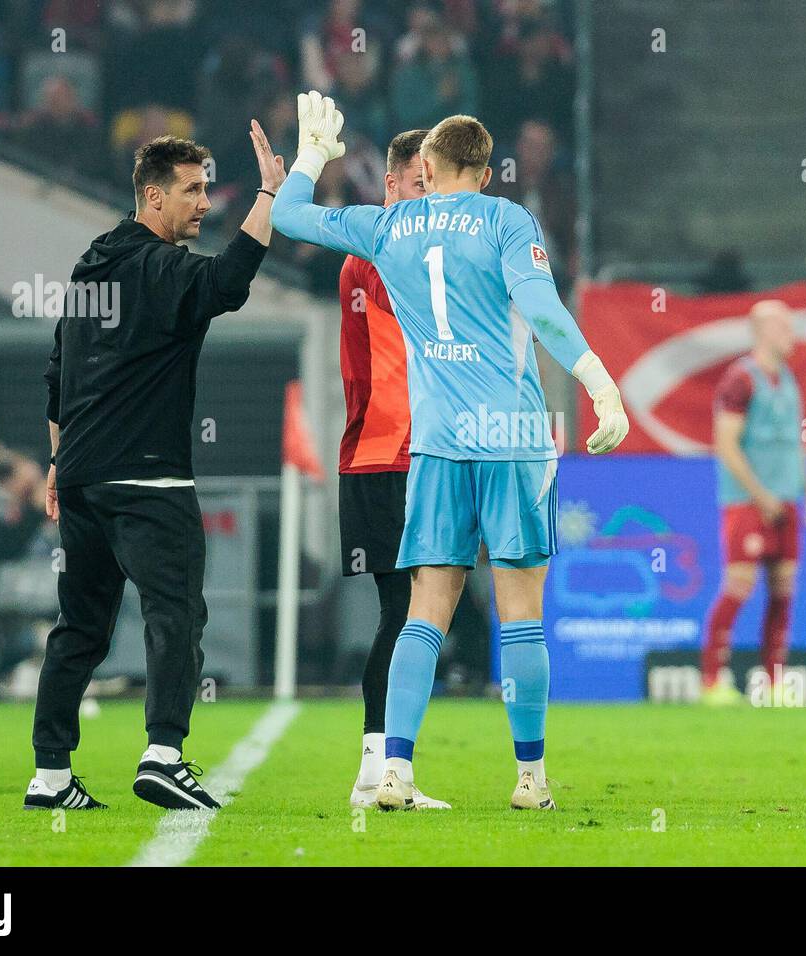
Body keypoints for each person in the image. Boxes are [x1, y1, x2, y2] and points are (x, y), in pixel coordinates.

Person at [269, 93, 630, 811]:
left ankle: (394, 772)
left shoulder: (390, 225)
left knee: (425, 610)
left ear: (426, 169)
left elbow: (286, 217)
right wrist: (600, 384)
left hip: (435, 446)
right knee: (520, 609)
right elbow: (544, 309)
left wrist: (311, 156)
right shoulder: (506, 220)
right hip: (513, 438)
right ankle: (530, 779)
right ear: (487, 170)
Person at [26, 128, 282, 812]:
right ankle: (164, 755)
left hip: (81, 477)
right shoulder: (160, 268)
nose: (203, 202)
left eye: (207, 188)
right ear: (152, 194)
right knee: (175, 614)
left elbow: (57, 377)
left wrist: (58, 461)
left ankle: (51, 774)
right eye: (192, 190)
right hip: (147, 480)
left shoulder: (88, 268)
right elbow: (229, 281)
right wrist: (270, 193)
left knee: (79, 626)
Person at [338, 128, 449, 811]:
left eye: (435, 186)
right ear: (390, 187)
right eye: (418, 185)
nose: (428, 199)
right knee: (404, 612)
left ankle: (384, 767)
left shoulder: (405, 251)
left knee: (413, 613)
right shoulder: (378, 254)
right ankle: (378, 767)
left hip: (412, 455)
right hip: (387, 455)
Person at [700, 301, 806, 705]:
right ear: (764, 330)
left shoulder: (788, 380)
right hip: (747, 501)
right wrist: (760, 495)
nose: (793, 334)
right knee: (739, 584)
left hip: (786, 500)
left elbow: (795, 443)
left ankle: (774, 683)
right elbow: (726, 444)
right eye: (785, 326)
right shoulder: (740, 379)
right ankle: (712, 681)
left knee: (784, 587)